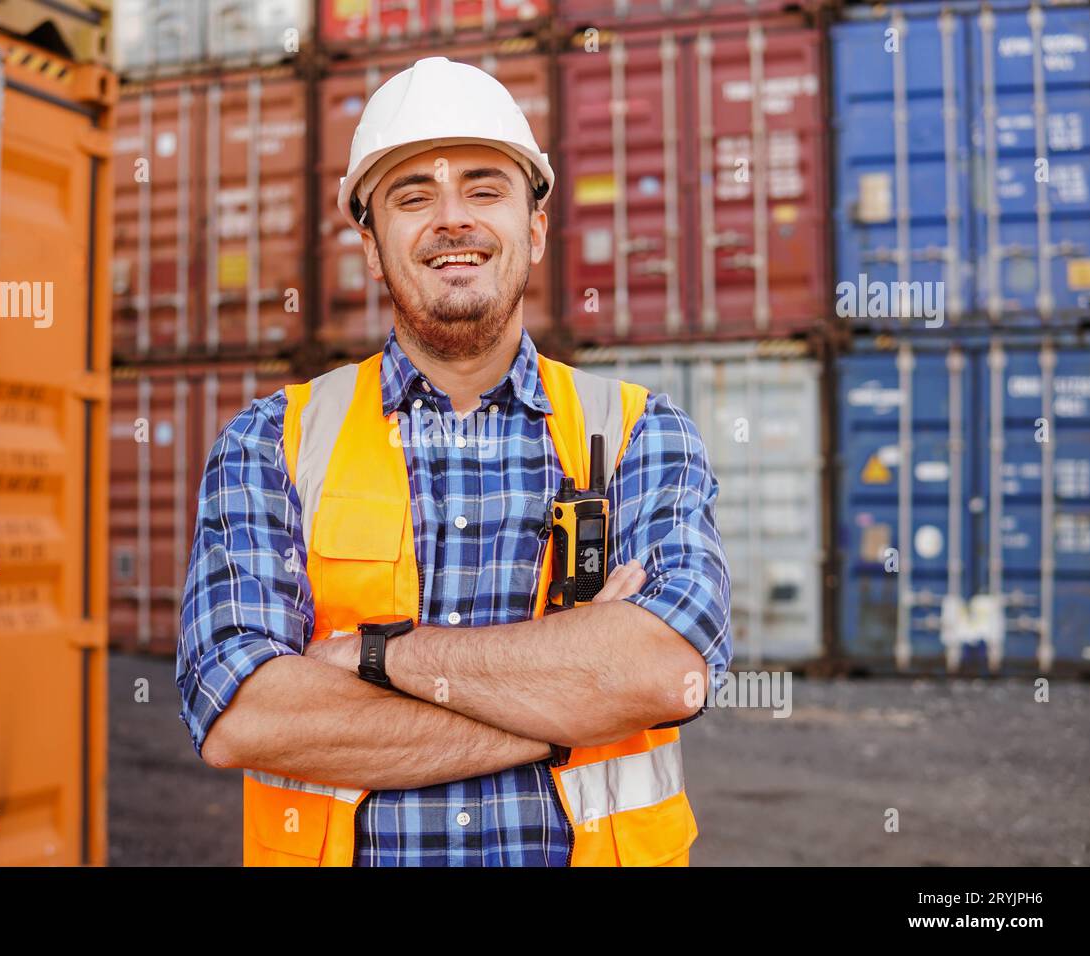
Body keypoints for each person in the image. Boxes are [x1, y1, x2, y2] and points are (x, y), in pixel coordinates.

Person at [177, 57, 731, 866]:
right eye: (412, 198)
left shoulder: (641, 432)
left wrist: (375, 657)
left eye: (483, 188)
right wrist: (565, 705)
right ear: (369, 246)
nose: (451, 221)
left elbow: (664, 677)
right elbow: (243, 717)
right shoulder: (273, 444)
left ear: (535, 228)